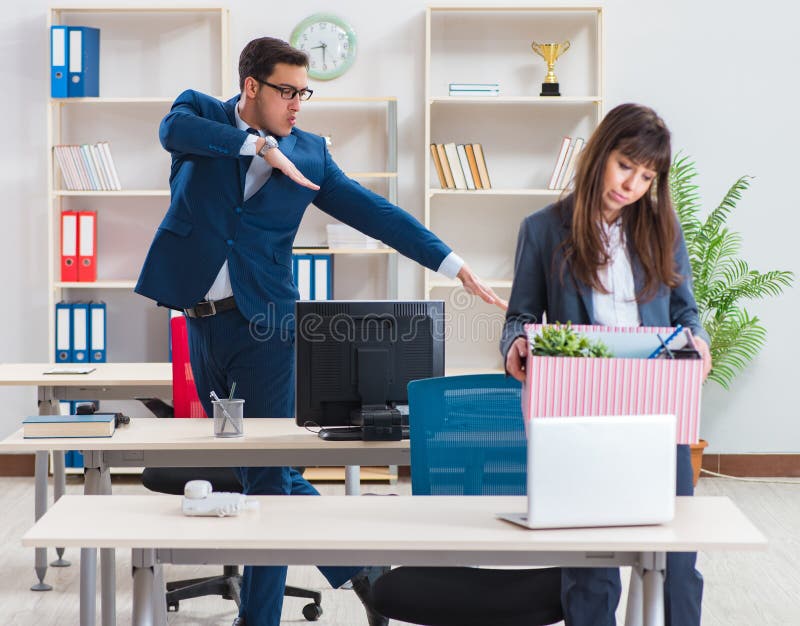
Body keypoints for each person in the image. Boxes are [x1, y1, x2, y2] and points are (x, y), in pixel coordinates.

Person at [135, 37, 505, 626]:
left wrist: (453, 265)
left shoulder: (311, 155)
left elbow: (376, 213)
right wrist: (255, 145)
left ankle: (259, 619)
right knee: (264, 473)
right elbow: (171, 132)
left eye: (304, 92)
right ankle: (363, 570)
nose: (297, 104)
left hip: (270, 329)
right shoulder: (199, 115)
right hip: (200, 326)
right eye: (286, 90)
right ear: (251, 86)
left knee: (267, 477)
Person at [500, 103, 711, 626]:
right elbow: (520, 315)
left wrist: (699, 342)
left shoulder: (663, 228)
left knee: (677, 556)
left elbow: (685, 311)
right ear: (599, 155)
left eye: (646, 176)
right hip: (578, 415)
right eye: (625, 167)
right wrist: (517, 345)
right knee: (590, 564)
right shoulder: (543, 228)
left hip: (657, 414)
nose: (632, 184)